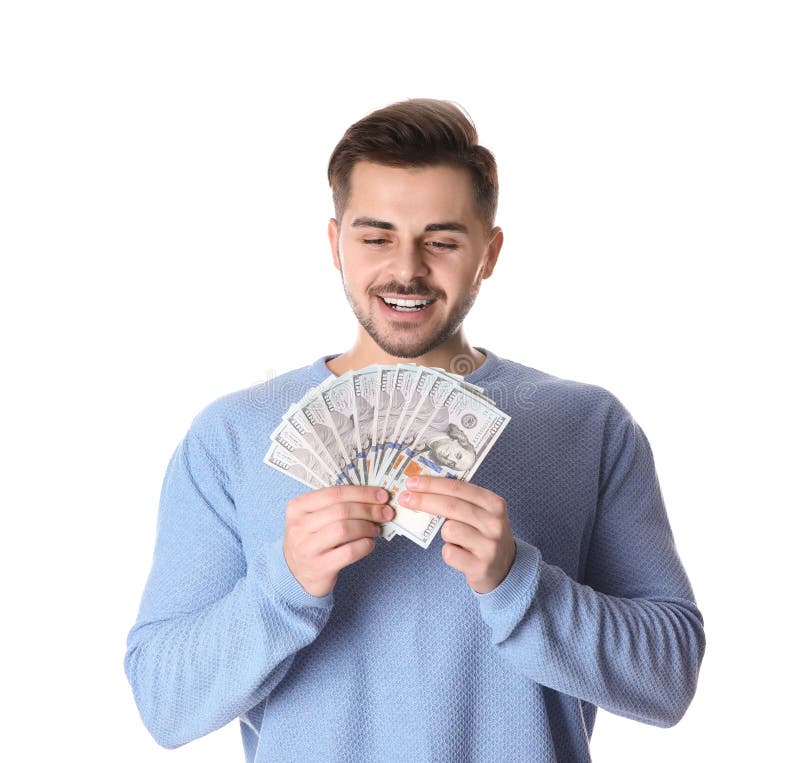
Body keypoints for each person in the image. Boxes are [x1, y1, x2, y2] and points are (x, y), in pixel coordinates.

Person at [124, 98, 705, 762]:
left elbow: (669, 677)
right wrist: (283, 582)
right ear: (335, 244)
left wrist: (519, 580)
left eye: (442, 240)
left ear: (489, 252)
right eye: (376, 237)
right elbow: (163, 704)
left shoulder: (589, 426)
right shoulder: (229, 434)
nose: (406, 268)